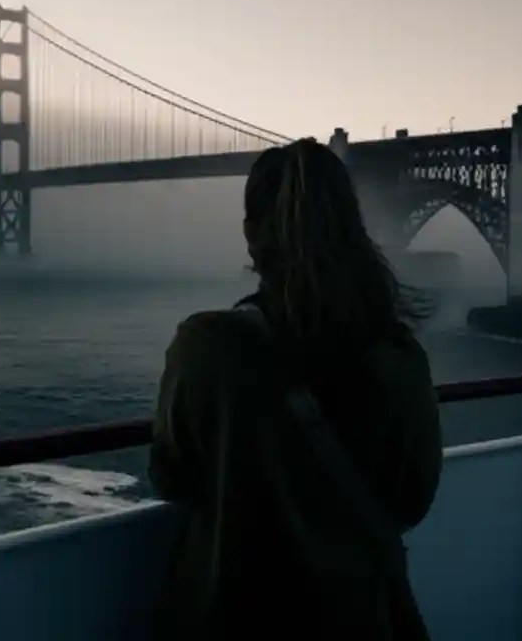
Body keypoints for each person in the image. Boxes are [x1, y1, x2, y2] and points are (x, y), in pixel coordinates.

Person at [148, 138, 443, 639]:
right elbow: (412, 501)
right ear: (354, 229)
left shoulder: (206, 347)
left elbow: (171, 477)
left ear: (250, 234)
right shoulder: (401, 357)